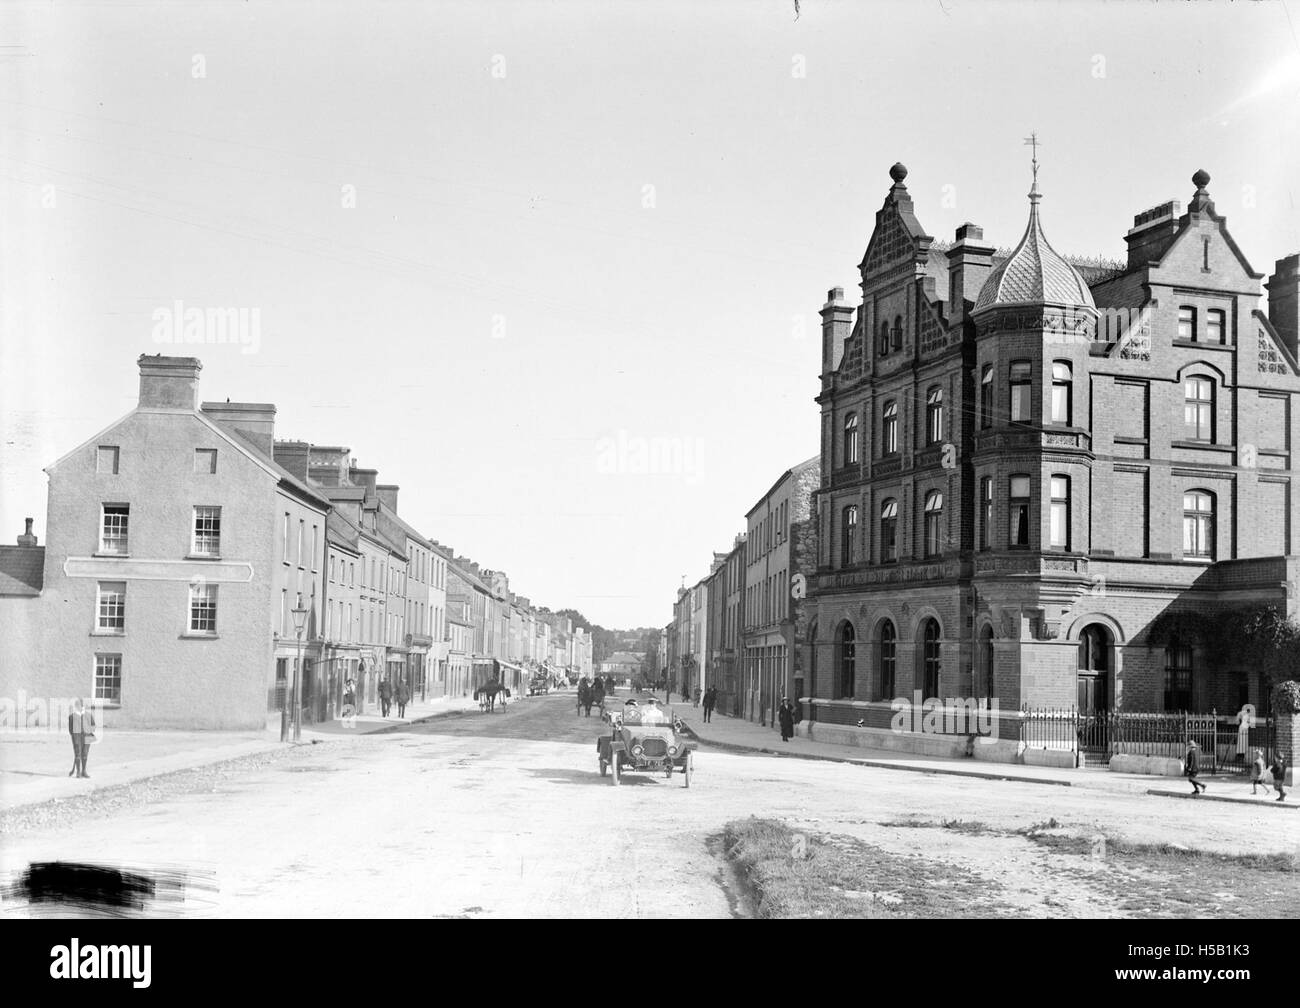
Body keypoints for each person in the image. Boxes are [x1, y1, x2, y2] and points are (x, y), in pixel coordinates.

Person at [68, 698, 94, 779]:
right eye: (78, 705)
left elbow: (93, 726)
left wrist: (87, 731)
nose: (80, 707)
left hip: (87, 736)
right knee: (78, 754)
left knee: (85, 754)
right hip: (77, 737)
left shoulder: (88, 715)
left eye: (81, 705)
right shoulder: (71, 716)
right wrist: (76, 736)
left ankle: (84, 771)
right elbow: (70, 730)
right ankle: (78, 772)